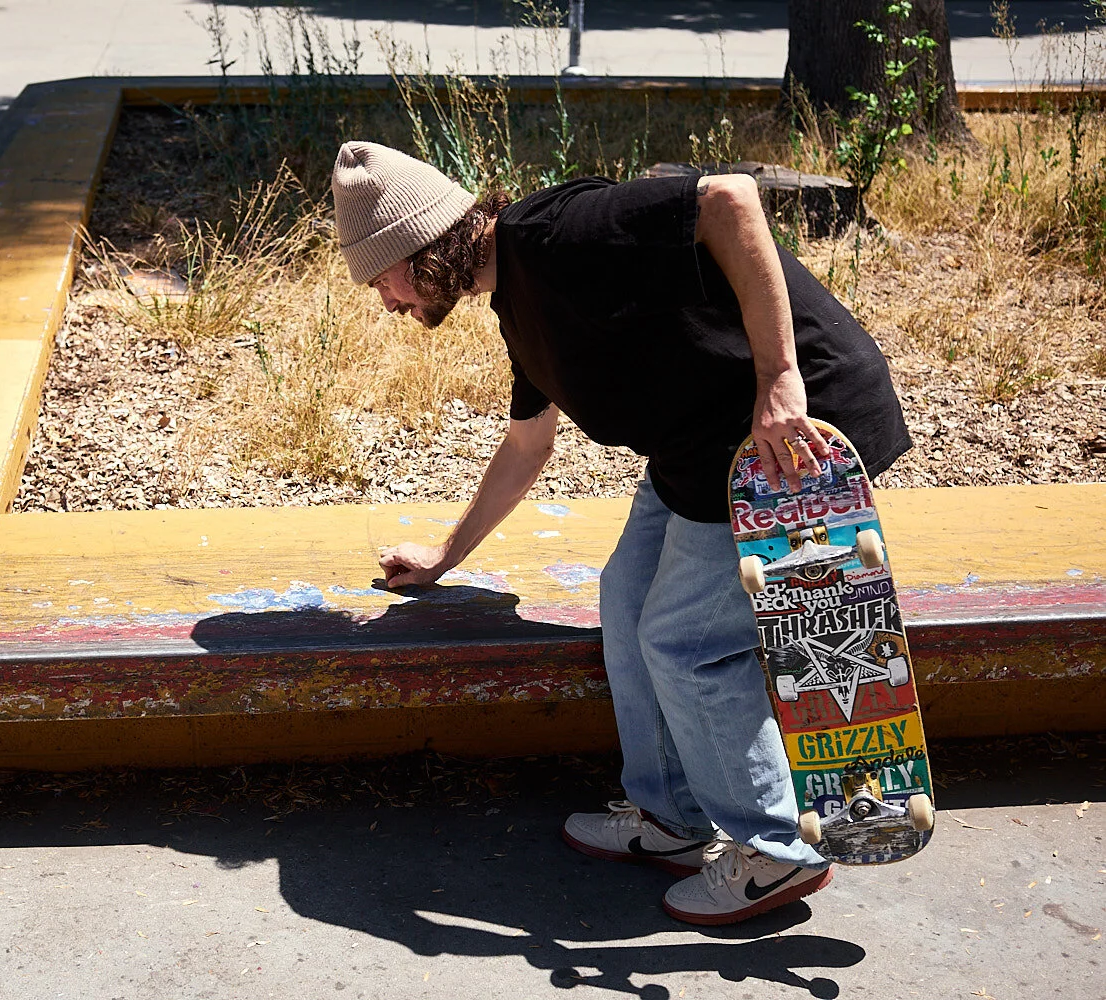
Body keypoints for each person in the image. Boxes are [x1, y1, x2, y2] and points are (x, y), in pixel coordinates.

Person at [329, 141, 911, 925]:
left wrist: (778, 376)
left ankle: (775, 848)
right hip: (697, 448)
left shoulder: (561, 235)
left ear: (419, 247)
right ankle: (672, 817)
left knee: (685, 642)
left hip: (786, 431)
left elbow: (729, 198)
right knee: (627, 601)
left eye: (383, 280)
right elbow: (528, 445)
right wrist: (444, 556)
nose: (389, 303)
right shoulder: (519, 303)